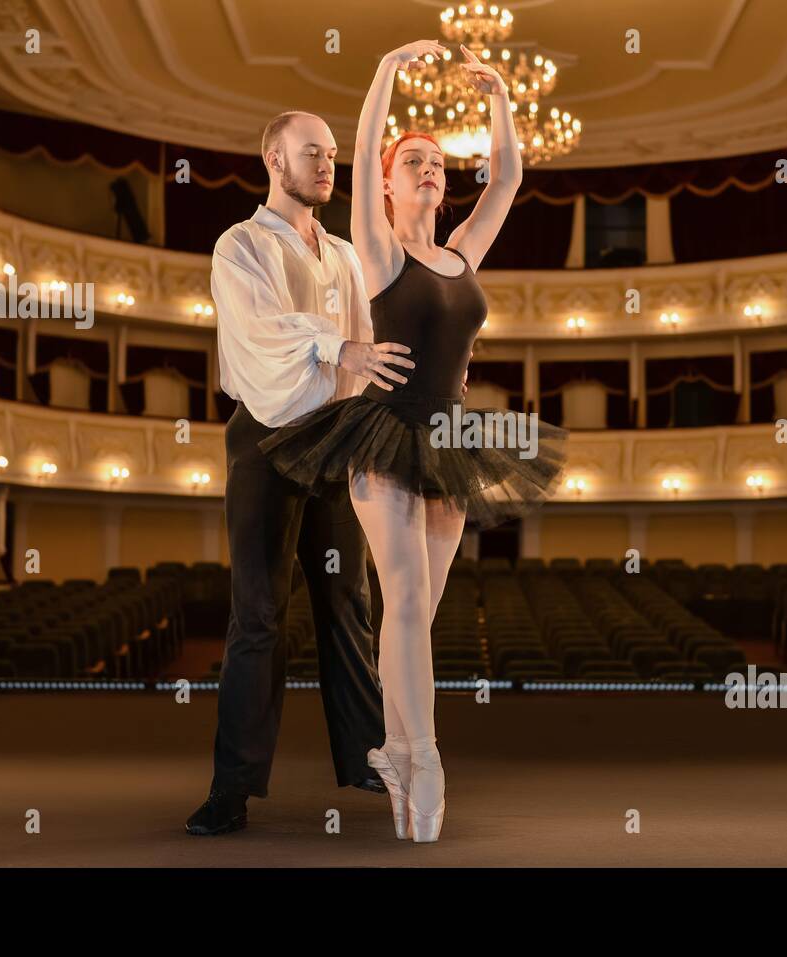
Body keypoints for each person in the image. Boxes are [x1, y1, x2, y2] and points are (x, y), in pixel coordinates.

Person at [258, 41, 568, 843]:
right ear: (391, 186)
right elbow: (362, 155)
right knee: (399, 596)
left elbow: (507, 181)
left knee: (416, 617)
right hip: (384, 435)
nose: (430, 170)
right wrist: (388, 69)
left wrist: (500, 98)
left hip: (453, 439)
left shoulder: (462, 254)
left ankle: (393, 748)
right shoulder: (380, 250)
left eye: (436, 163)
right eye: (415, 162)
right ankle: (423, 757)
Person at [185, 111, 420, 836]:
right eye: (310, 152)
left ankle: (366, 758)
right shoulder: (240, 246)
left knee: (349, 602)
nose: (326, 164)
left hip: (336, 437)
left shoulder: (346, 255)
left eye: (332, 154)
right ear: (272, 157)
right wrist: (337, 348)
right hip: (267, 436)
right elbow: (260, 331)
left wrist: (422, 372)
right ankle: (232, 788)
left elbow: (372, 343)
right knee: (258, 613)